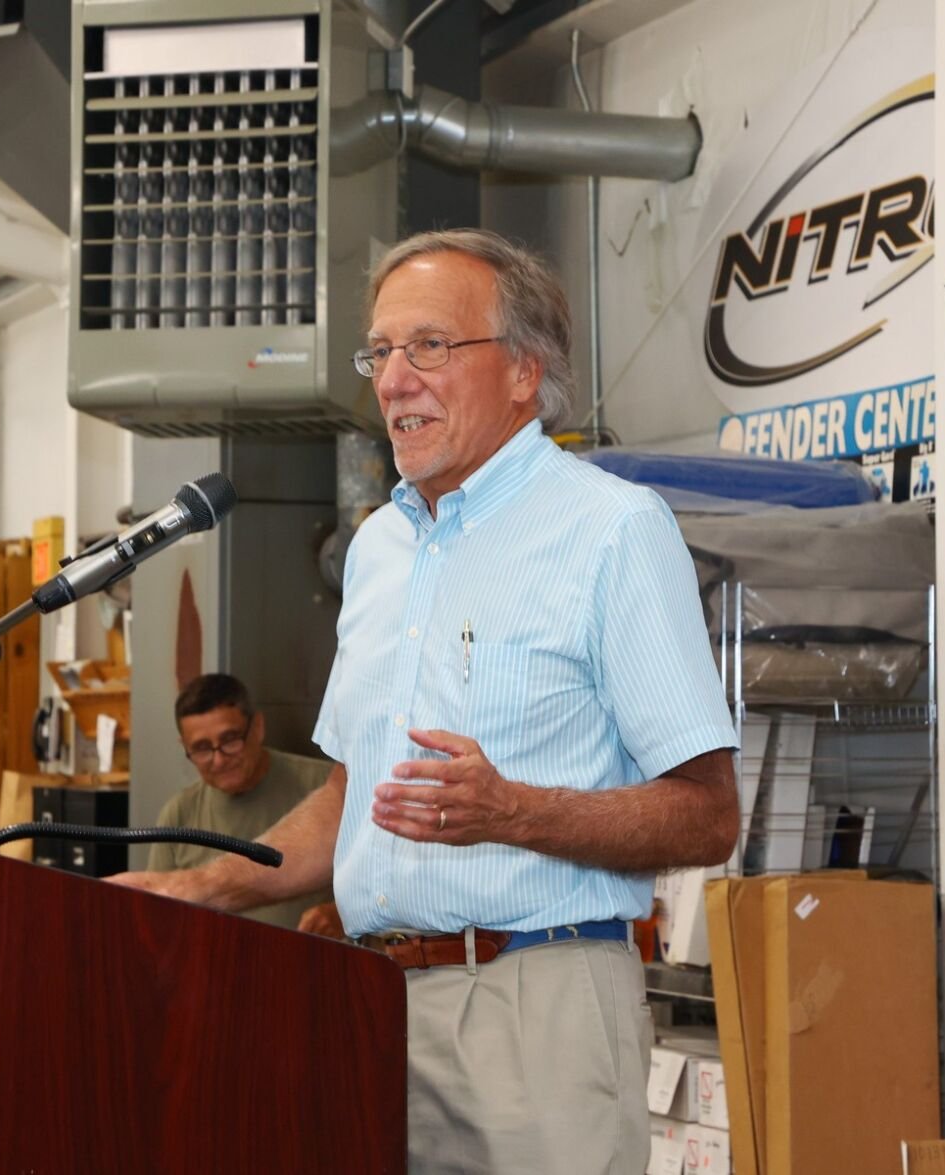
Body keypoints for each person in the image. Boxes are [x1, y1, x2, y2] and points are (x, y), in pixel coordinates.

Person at [114, 229, 739, 1172]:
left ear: (525, 371)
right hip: (374, 1009)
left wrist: (513, 810)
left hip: (537, 1004)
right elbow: (351, 802)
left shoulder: (611, 529)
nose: (394, 379)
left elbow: (707, 815)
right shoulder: (378, 550)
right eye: (381, 352)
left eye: (430, 347)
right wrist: (195, 890)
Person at [147, 673, 334, 930]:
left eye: (230, 740)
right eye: (202, 748)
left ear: (257, 727)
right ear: (184, 747)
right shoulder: (179, 814)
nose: (220, 759)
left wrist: (338, 916)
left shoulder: (326, 789)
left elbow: (376, 883)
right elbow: (159, 914)